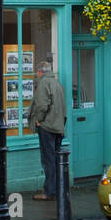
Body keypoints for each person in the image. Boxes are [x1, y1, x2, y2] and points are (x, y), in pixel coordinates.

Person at [28, 60, 67, 201]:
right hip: (58, 126)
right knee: (56, 160)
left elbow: (42, 106)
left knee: (48, 160)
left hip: (47, 126)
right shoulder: (57, 83)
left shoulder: (44, 83)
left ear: (39, 72)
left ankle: (50, 191)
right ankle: (56, 188)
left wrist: (38, 120)